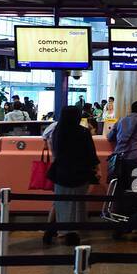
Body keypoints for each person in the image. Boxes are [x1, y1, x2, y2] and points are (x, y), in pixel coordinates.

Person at [43, 105, 99, 248]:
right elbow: (90, 153)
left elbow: (54, 152)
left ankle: (52, 231)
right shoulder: (83, 132)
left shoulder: (57, 132)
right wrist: (97, 168)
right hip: (80, 172)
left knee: (60, 203)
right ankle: (72, 234)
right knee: (77, 203)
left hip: (61, 172)